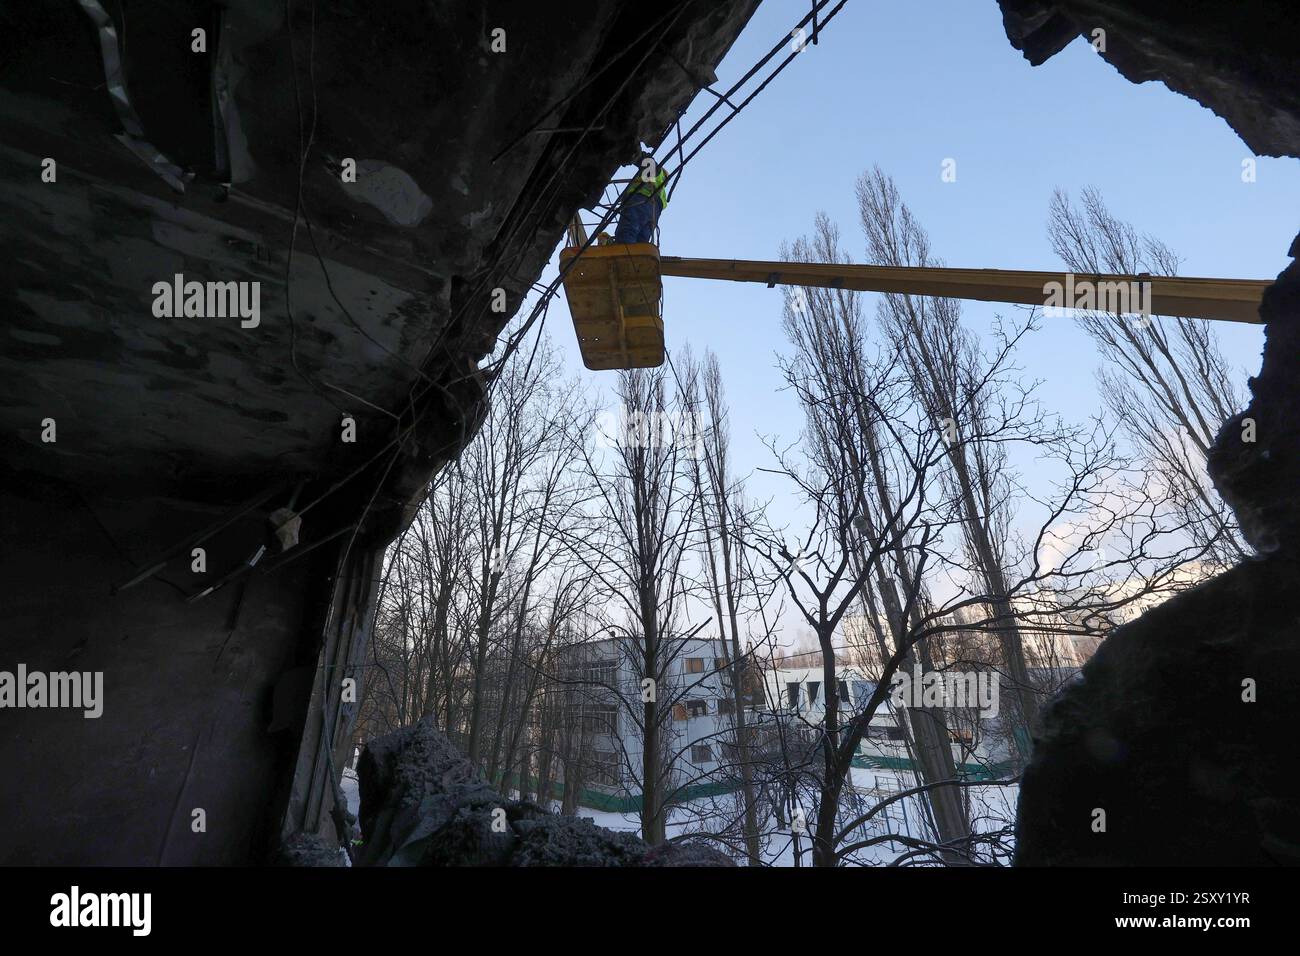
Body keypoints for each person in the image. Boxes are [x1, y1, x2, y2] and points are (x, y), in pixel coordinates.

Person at [613, 152, 668, 245]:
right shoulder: (662, 192)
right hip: (653, 215)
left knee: (627, 230)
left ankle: (624, 251)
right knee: (642, 241)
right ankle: (637, 256)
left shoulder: (656, 173)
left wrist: (636, 153)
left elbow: (648, 162)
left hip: (640, 202)